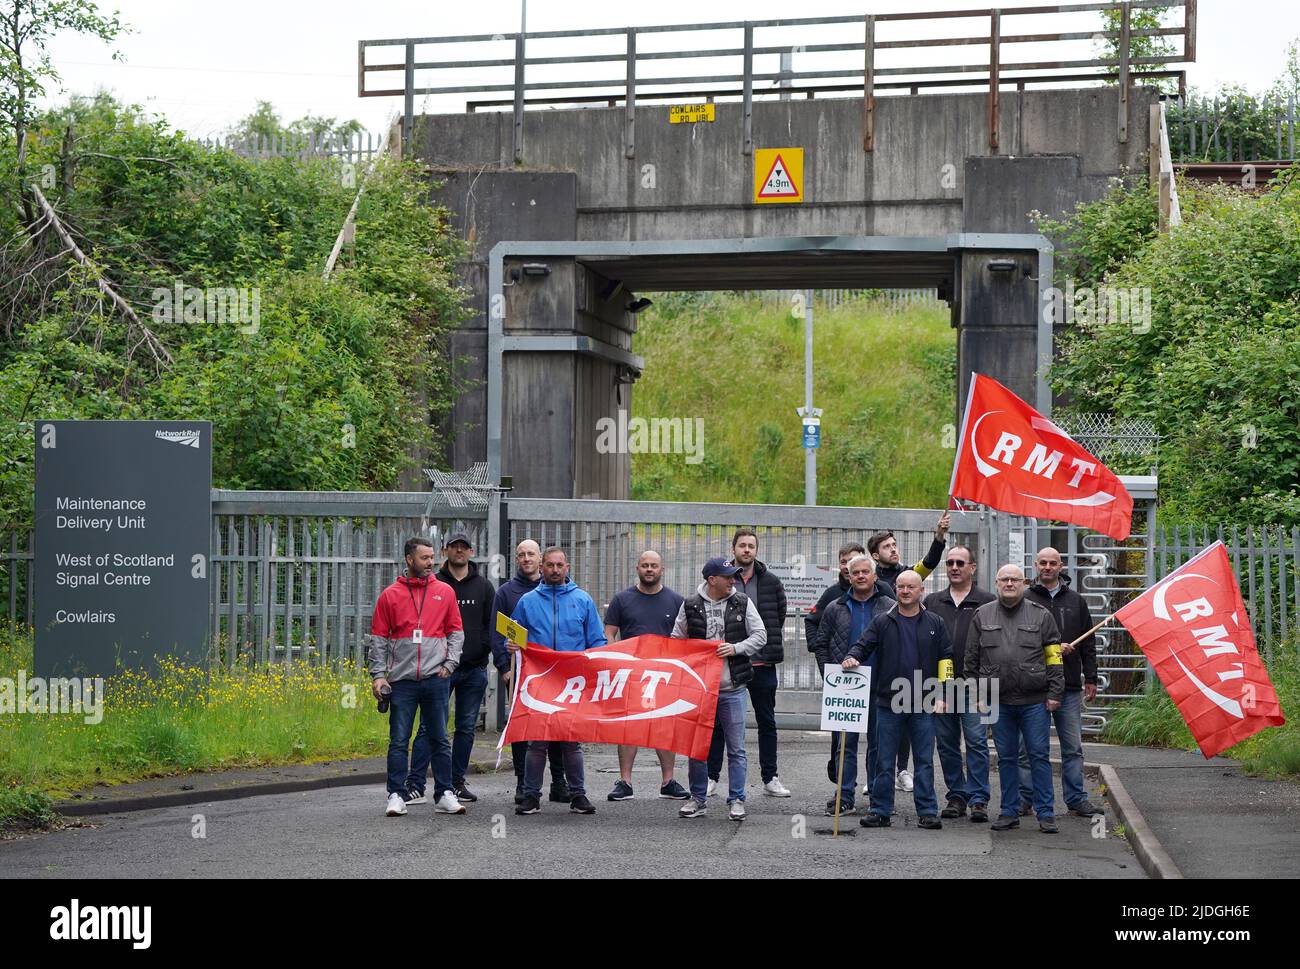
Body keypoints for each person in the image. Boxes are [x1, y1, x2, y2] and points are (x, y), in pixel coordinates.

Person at [842, 571, 952, 830]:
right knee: (883, 758)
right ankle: (880, 810)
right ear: (895, 589)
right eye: (900, 587)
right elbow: (862, 644)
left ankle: (927, 811)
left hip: (924, 702)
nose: (905, 591)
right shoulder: (882, 621)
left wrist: (944, 695)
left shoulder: (935, 622)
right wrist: (852, 656)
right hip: (888, 702)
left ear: (920, 590)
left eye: (910, 587)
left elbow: (946, 659)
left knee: (924, 760)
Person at [369, 536, 466, 817]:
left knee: (439, 738)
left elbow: (456, 632)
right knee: (399, 740)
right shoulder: (390, 595)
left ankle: (445, 793)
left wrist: (450, 664)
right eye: (424, 558)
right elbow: (378, 638)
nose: (431, 563)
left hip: (436, 677)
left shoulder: (445, 592)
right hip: (402, 681)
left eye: (432, 557)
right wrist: (378, 675)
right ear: (409, 560)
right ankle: (396, 795)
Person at [965, 564, 1065, 834]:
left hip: (1035, 701)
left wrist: (1055, 693)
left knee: (1039, 756)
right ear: (997, 583)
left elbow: (1054, 658)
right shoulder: (981, 615)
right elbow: (970, 660)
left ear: (1024, 583)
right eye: (1004, 580)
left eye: (1015, 580)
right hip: (997, 700)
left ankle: (1046, 813)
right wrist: (975, 695)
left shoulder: (1041, 615)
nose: (1009, 584)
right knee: (1006, 758)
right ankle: (1009, 811)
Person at [510, 546, 607, 816]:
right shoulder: (527, 601)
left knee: (570, 741)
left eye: (559, 565)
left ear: (568, 567)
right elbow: (516, 638)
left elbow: (597, 641)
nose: (554, 570)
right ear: (541, 567)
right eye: (549, 565)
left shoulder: (583, 600)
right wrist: (512, 647)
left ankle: (578, 796)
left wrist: (595, 667)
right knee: (537, 741)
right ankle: (531, 796)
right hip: (539, 681)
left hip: (571, 683)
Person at [406, 532, 498, 805]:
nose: (460, 551)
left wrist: (482, 650)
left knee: (466, 727)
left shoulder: (483, 586)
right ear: (445, 551)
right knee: (428, 727)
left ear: (471, 552)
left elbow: (490, 625)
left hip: (473, 668)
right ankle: (415, 784)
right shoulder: (433, 583)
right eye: (454, 547)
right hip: (439, 669)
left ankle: (456, 782)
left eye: (464, 547)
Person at [673, 557, 767, 821]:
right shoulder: (690, 604)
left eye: (734, 576)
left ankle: (737, 799)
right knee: (697, 747)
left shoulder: (742, 602)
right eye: (728, 576)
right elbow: (675, 640)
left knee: (736, 748)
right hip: (700, 690)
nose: (733, 580)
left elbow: (761, 635)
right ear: (712, 580)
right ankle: (698, 798)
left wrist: (736, 648)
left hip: (733, 688)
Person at [866, 511, 951, 793]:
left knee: (906, 715)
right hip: (877, 657)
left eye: (894, 544)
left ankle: (902, 769)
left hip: (910, 662)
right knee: (879, 726)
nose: (893, 549)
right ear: (875, 556)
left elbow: (929, 563)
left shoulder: (908, 573)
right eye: (887, 546)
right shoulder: (870, 578)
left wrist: (939, 538)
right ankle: (877, 777)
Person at [1022, 547, 1104, 818]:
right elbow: (1019, 640)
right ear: (1036, 565)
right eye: (1042, 562)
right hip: (1035, 686)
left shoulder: (1076, 601)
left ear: (1061, 566)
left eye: (1052, 563)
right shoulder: (1025, 599)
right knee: (1031, 748)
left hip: (1068, 686)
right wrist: (1053, 647)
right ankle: (1025, 798)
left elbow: (1088, 642)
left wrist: (1090, 677)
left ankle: (1076, 799)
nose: (1047, 567)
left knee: (1072, 748)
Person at [707, 528, 789, 798]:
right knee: (718, 723)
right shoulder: (724, 581)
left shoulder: (771, 582)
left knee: (767, 721)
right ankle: (711, 776)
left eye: (751, 546)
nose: (746, 550)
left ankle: (771, 776)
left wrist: (759, 646)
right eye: (742, 545)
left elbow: (778, 614)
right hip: (729, 665)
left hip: (762, 663)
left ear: (756, 550)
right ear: (733, 549)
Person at [811, 554, 895, 816]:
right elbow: (821, 643)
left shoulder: (889, 606)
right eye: (854, 572)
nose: (859, 576)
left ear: (874, 575)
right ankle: (844, 795)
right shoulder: (836, 607)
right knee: (844, 745)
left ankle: (877, 797)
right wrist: (830, 674)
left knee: (879, 745)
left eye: (864, 572)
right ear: (848, 576)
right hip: (846, 687)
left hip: (879, 685)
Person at [603, 550, 689, 801]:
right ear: (637, 569)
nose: (649, 569)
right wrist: (614, 658)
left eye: (654, 565)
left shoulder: (676, 601)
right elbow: (609, 633)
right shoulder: (622, 600)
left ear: (662, 570)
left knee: (664, 726)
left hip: (665, 676)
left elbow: (686, 636)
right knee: (629, 727)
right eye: (644, 565)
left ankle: (668, 781)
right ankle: (625, 782)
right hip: (630, 675)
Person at [491, 539, 569, 805]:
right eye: (521, 555)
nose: (526, 559)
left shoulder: (560, 590)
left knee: (557, 728)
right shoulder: (507, 593)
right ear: (517, 559)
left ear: (540, 559)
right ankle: (523, 784)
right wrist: (504, 667)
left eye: (531, 554)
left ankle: (559, 782)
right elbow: (499, 632)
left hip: (558, 675)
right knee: (523, 728)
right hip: (521, 674)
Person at [923, 545, 996, 822]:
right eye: (950, 562)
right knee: (946, 743)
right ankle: (956, 795)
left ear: (972, 568)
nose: (954, 567)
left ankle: (979, 799)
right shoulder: (933, 601)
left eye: (960, 563)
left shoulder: (988, 601)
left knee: (977, 742)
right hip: (940, 686)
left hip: (976, 686)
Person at [803, 542, 865, 654]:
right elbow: (811, 620)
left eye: (851, 561)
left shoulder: (881, 589)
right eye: (843, 562)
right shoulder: (831, 593)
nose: (847, 566)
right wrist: (818, 648)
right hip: (840, 666)